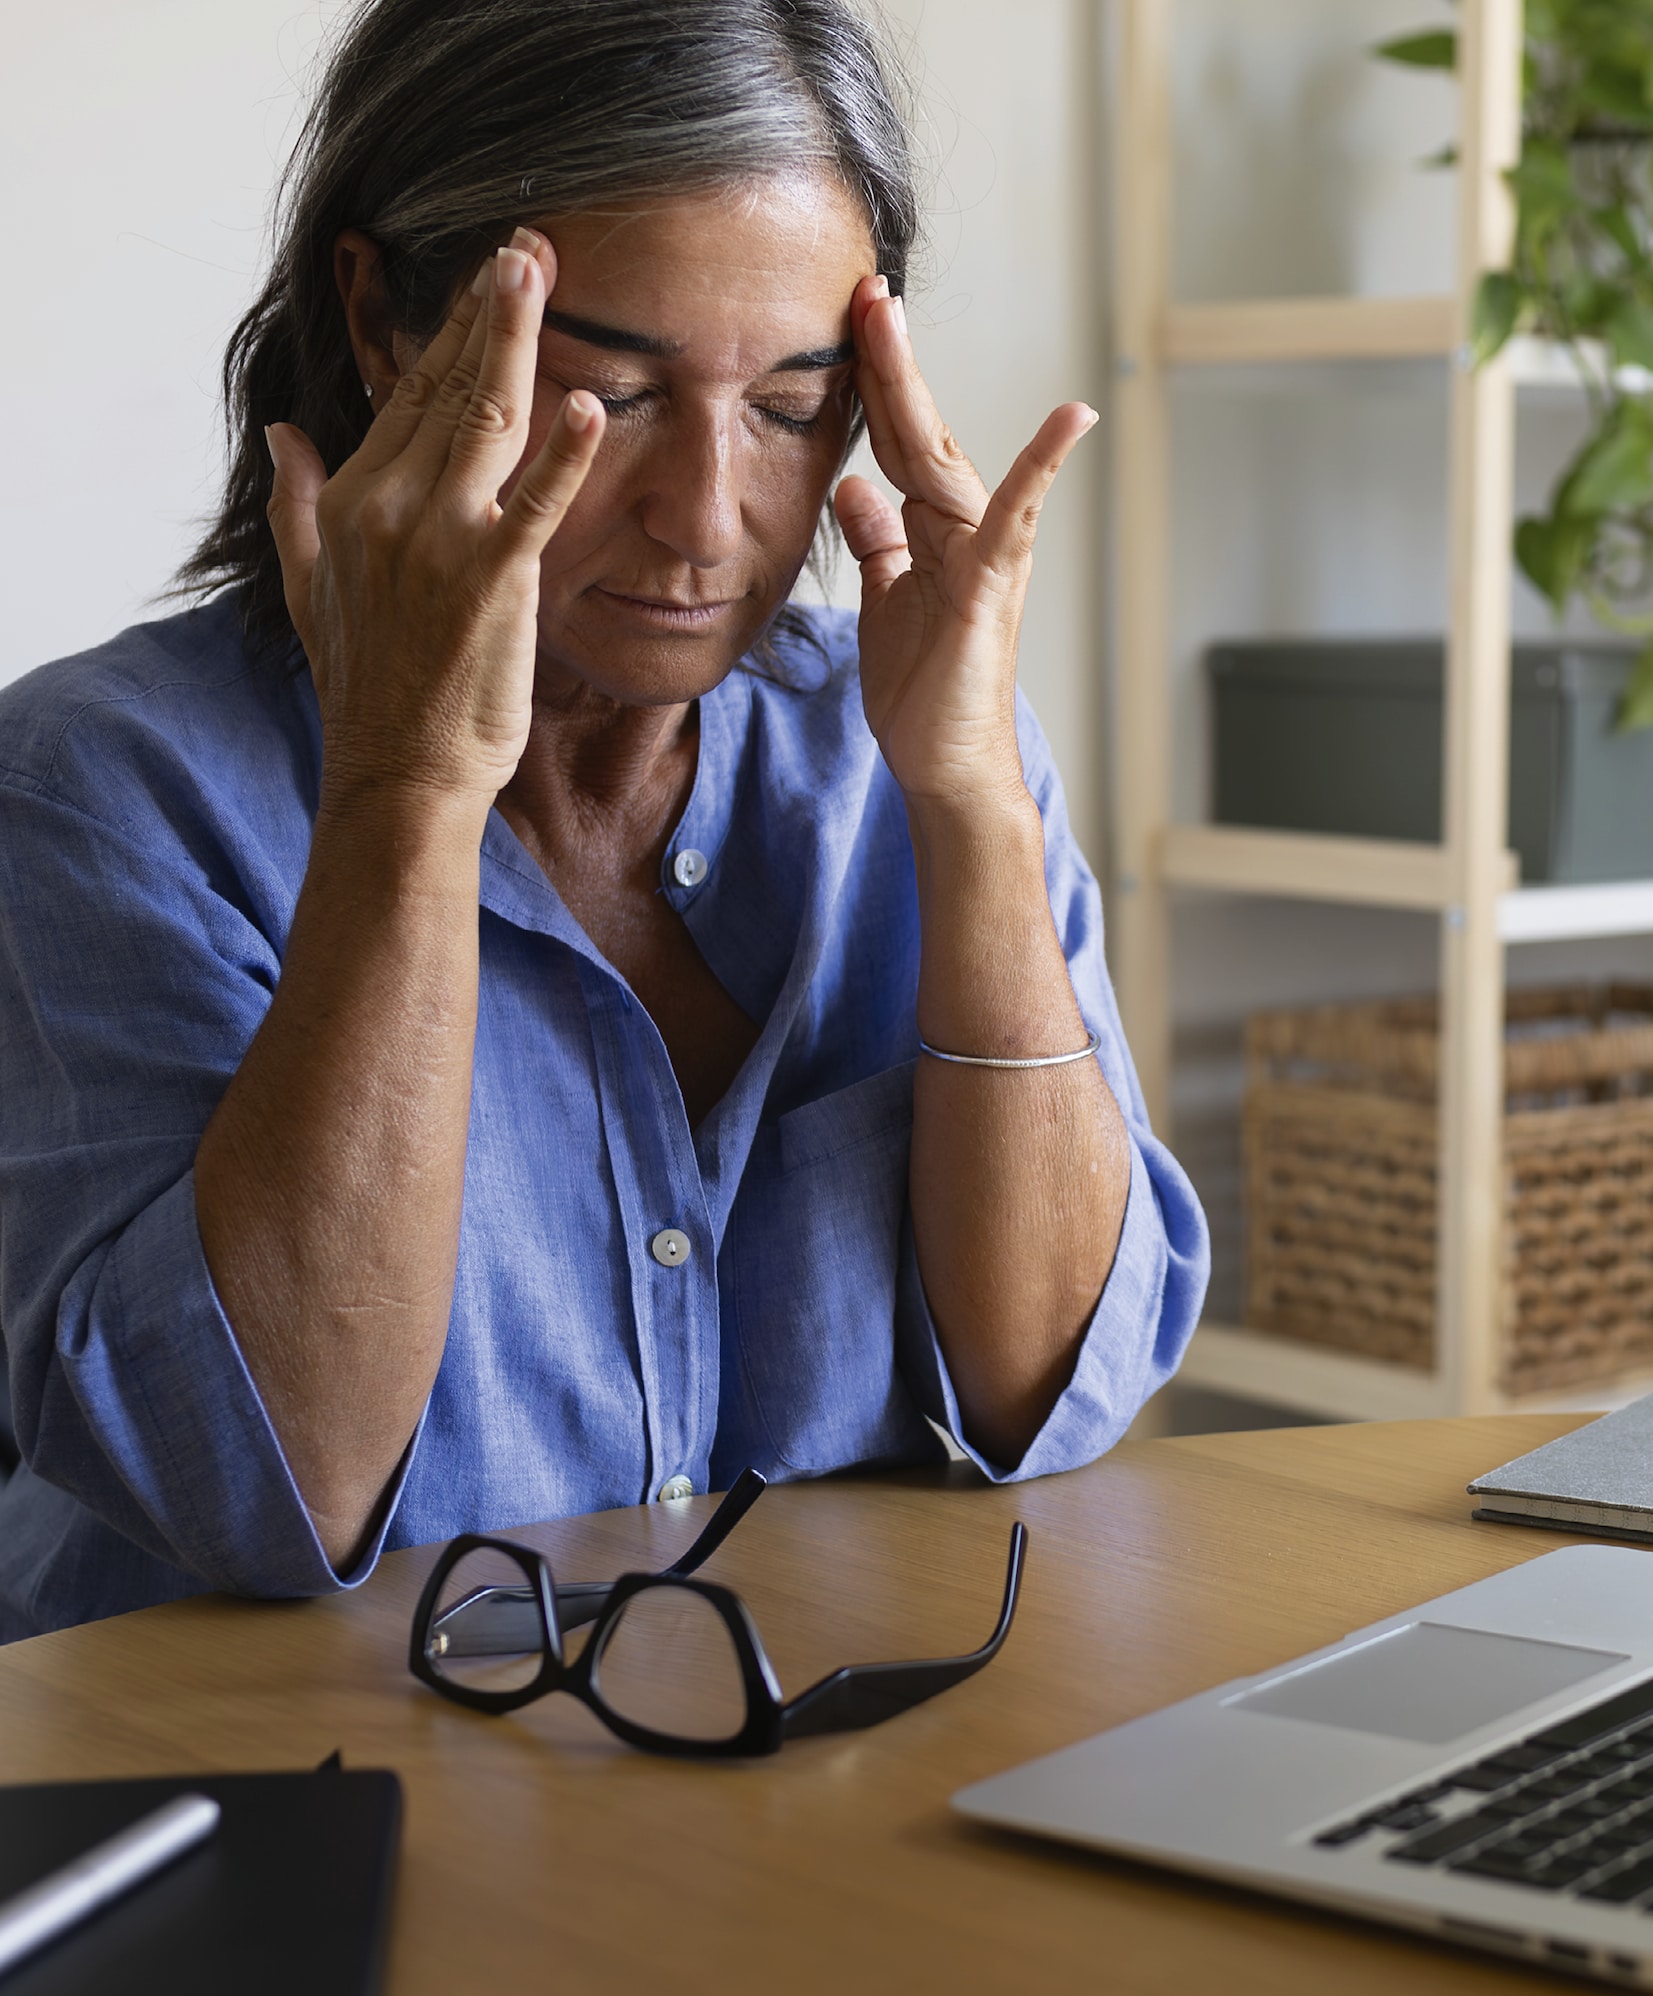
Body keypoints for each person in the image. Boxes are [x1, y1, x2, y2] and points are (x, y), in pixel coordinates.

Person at [0, 0, 1207, 1641]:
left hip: (783, 1815)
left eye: (791, 405)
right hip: (276, 1831)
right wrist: (406, 791)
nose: (710, 520)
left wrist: (975, 804)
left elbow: (1055, 1394)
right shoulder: (101, 790)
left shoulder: (907, 753)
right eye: (616, 393)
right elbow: (260, 1483)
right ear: (381, 323)